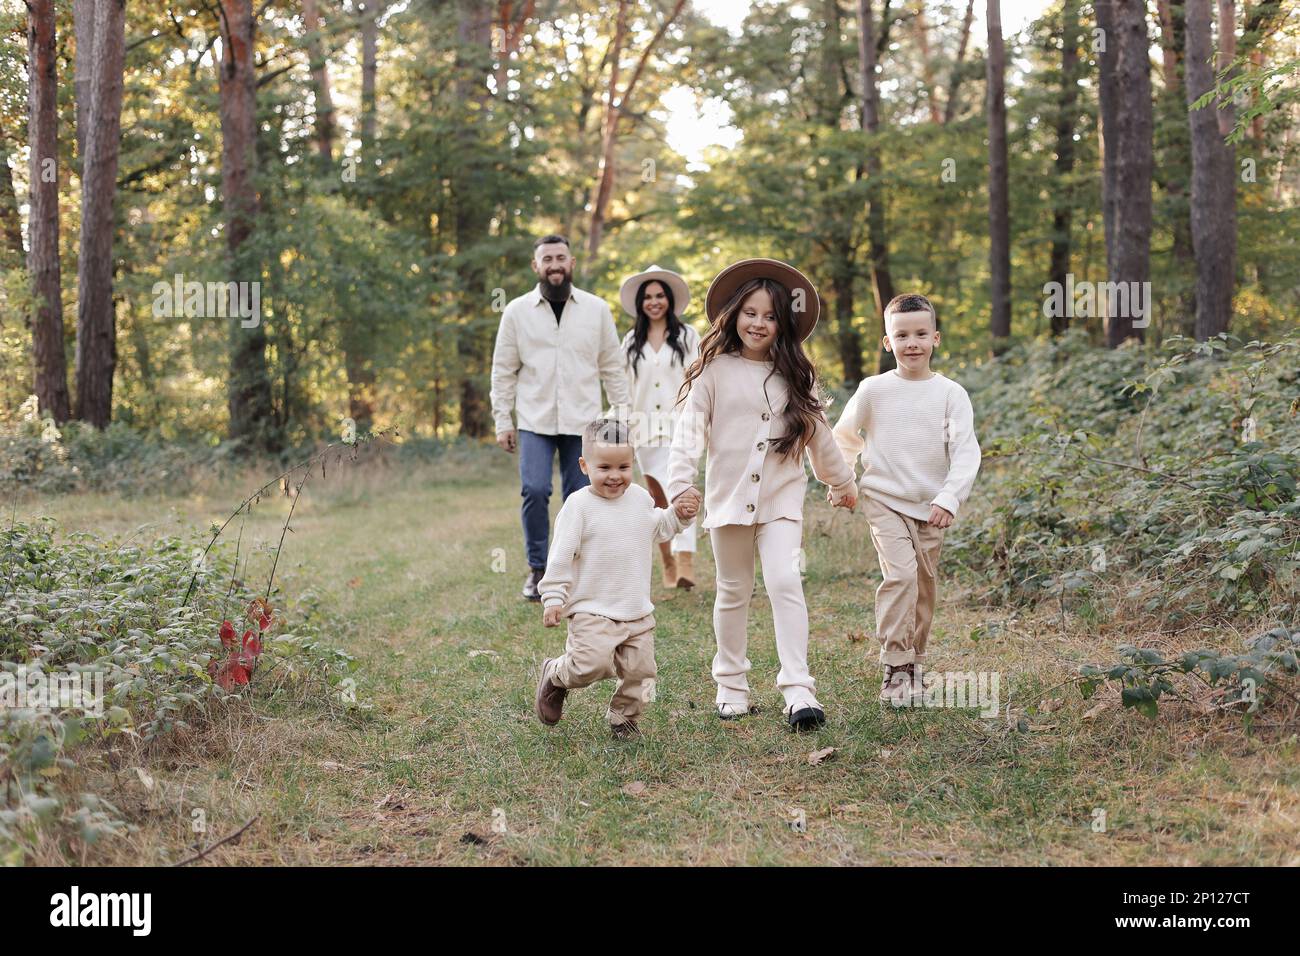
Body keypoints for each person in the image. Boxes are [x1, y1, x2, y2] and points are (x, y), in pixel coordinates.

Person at [666, 259, 858, 733]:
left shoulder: (797, 374)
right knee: (733, 591)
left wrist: (841, 482)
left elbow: (820, 437)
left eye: (770, 316)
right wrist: (680, 484)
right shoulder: (714, 371)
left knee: (785, 583)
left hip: (781, 502)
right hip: (728, 500)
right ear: (733, 315)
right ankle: (730, 686)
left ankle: (798, 690)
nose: (758, 323)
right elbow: (688, 433)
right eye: (750, 312)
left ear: (783, 323)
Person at [830, 293, 982, 704]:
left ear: (936, 338)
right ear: (887, 342)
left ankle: (914, 662)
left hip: (932, 507)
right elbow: (842, 438)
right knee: (900, 576)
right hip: (883, 498)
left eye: (919, 334)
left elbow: (966, 451)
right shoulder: (873, 390)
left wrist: (950, 497)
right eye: (901, 335)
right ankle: (895, 667)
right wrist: (841, 480)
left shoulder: (951, 394)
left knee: (924, 587)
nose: (911, 342)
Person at [533, 419, 701, 738]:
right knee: (588, 665)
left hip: (636, 610)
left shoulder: (638, 498)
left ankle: (624, 718)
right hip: (591, 608)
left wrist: (678, 515)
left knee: (642, 671)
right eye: (605, 467)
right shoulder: (579, 506)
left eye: (623, 466)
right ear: (584, 465)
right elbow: (560, 556)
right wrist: (553, 597)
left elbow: (659, 527)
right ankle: (555, 675)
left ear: (633, 462)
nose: (615, 476)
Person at [490, 235, 631, 601]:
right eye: (547, 259)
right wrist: (502, 419)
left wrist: (622, 415)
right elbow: (503, 371)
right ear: (536, 266)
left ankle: (573, 569)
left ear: (571, 263)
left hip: (583, 420)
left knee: (580, 496)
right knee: (534, 490)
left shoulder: (597, 309)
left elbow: (613, 367)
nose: (555, 264)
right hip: (534, 419)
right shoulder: (516, 312)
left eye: (561, 258)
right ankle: (538, 568)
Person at [617, 265, 701, 589]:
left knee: (681, 491)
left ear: (669, 300)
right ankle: (667, 562)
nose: (654, 301)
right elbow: (623, 387)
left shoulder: (687, 336)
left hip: (680, 426)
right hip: (643, 430)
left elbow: (697, 380)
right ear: (641, 303)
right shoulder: (629, 342)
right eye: (648, 297)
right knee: (658, 499)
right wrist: (623, 427)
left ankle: (686, 562)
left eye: (660, 295)